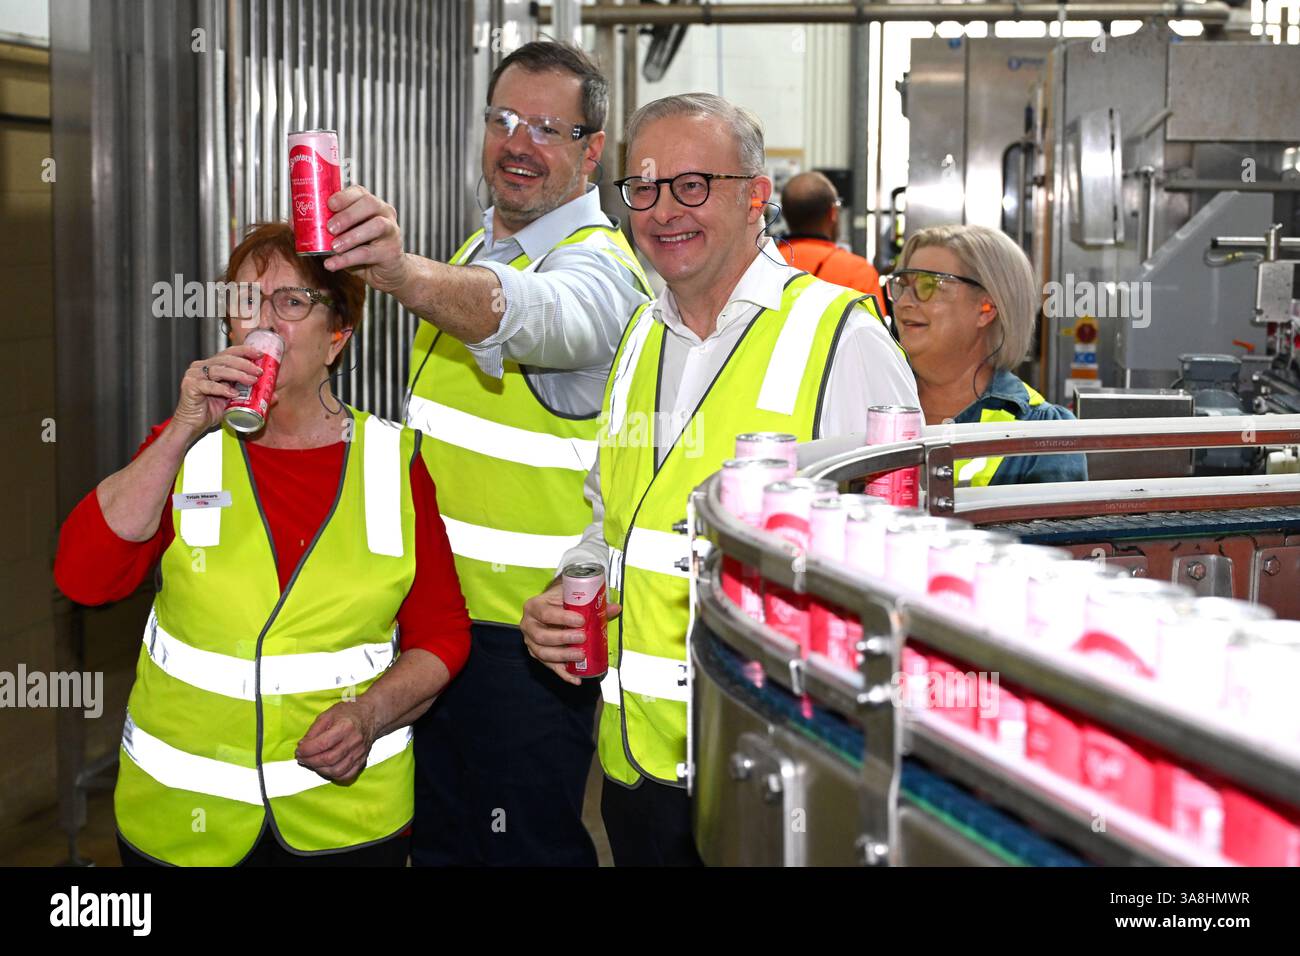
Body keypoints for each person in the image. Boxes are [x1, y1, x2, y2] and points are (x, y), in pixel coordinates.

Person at [518, 93, 919, 866]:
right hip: (637, 771)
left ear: (757, 196)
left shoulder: (843, 338)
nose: (665, 210)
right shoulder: (640, 334)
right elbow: (616, 517)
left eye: (693, 185)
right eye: (645, 187)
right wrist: (571, 595)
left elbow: (900, 571)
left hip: (771, 774)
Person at [320, 41, 651, 866]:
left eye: (547, 127)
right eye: (504, 118)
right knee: (443, 844)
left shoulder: (602, 273)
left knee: (521, 848)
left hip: (525, 640)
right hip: (437, 627)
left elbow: (533, 314)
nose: (518, 142)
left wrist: (399, 273)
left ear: (591, 150)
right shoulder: (477, 251)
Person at [52, 222, 471, 867]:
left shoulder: (392, 463)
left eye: (291, 301)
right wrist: (181, 429)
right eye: (246, 303)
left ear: (339, 337)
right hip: (184, 824)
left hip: (342, 821)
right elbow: (84, 576)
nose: (262, 321)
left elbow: (442, 635)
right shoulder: (189, 449)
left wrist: (370, 716)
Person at [886, 224, 1088, 486]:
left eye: (928, 285)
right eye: (902, 285)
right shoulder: (872, 399)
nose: (903, 303)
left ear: (986, 309)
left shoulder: (1044, 434)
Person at [777, 170, 884, 311]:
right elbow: (874, 330)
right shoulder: (858, 272)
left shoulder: (761, 263)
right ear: (833, 212)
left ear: (784, 214)